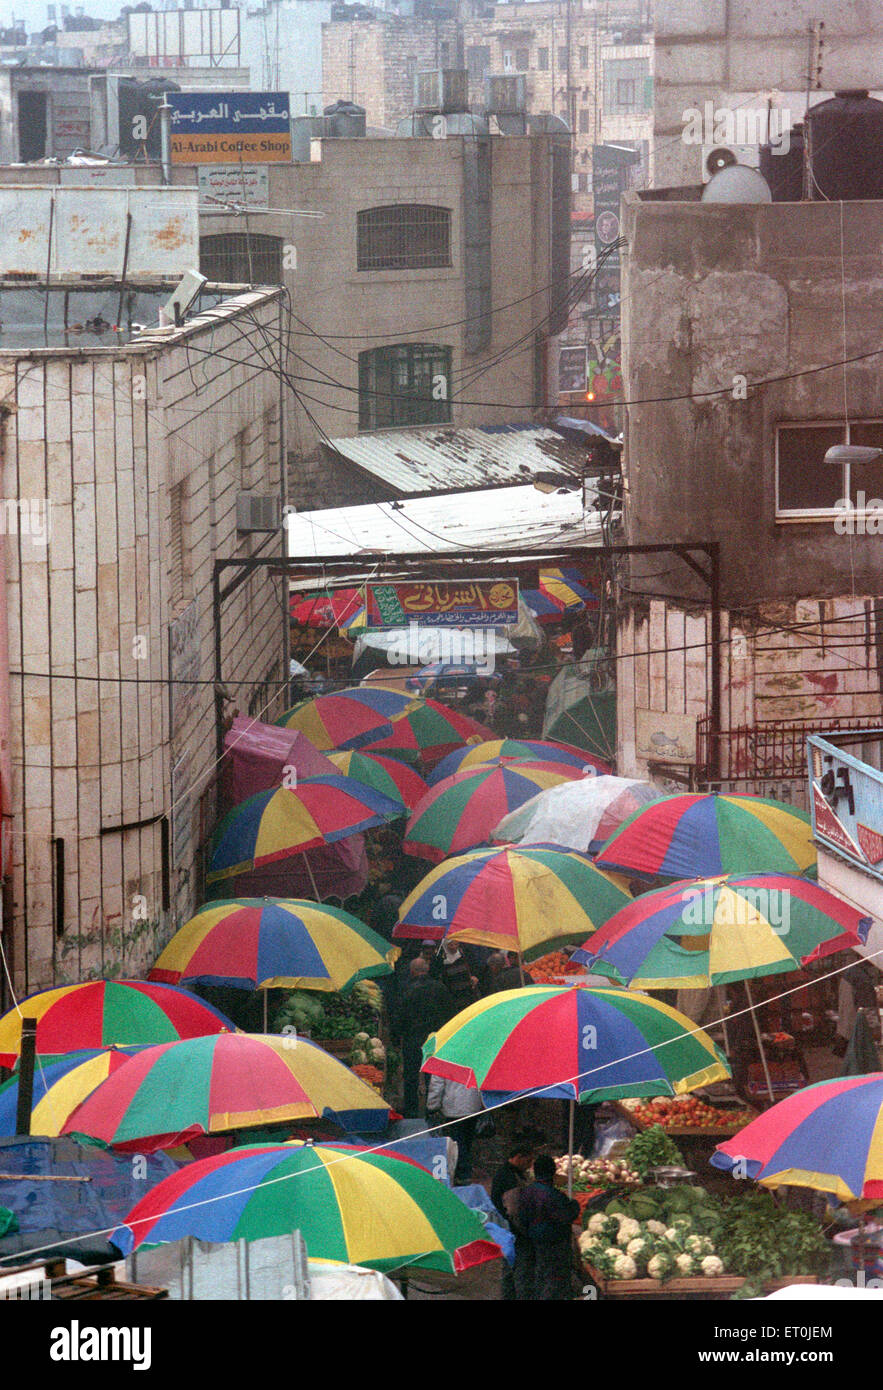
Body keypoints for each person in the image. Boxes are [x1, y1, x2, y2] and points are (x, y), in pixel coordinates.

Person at [513, 1153, 580, 1300]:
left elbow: (521, 1217)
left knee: (540, 1276)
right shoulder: (553, 1195)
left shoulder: (526, 1192)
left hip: (533, 1240)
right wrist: (574, 1205)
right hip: (553, 1243)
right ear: (553, 1172)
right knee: (554, 1280)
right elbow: (566, 1216)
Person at [392, 957, 453, 1117]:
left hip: (412, 1038)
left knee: (411, 1075)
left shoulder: (407, 990)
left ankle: (411, 1110)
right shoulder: (440, 988)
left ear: (412, 972)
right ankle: (432, 1109)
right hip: (435, 1039)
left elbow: (398, 1016)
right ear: (427, 970)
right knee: (432, 1074)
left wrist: (395, 1038)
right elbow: (450, 1013)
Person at [491, 1138, 537, 1300]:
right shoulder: (507, 1176)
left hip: (512, 1227)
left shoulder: (513, 1173)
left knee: (512, 1267)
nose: (530, 1164)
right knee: (516, 1269)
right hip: (512, 1228)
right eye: (528, 1160)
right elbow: (513, 1208)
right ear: (518, 1157)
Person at [425, 1074, 483, 1183]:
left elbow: (436, 1086)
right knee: (467, 1139)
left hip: (453, 1107)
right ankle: (464, 1170)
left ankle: (462, 1173)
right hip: (474, 1105)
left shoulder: (443, 1060)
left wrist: (432, 1106)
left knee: (458, 1141)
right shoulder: (474, 1058)